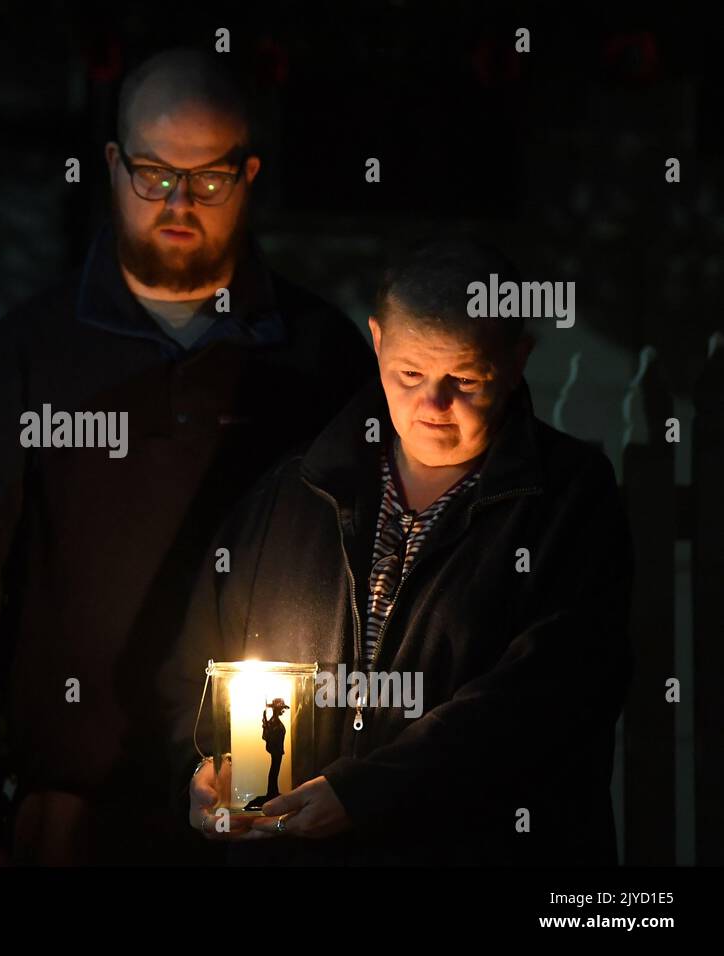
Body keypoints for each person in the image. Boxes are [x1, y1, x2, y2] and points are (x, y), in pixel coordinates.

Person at [0, 49, 374, 865]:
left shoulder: (321, 359)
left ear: (248, 174)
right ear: (112, 164)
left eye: (207, 178)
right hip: (68, 815)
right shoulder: (32, 353)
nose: (177, 201)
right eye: (153, 173)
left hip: (262, 811)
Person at [170, 237, 632, 865]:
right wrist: (207, 765)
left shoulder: (565, 500)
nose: (433, 405)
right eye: (410, 374)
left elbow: (549, 693)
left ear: (517, 358)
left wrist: (369, 791)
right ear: (378, 342)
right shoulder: (299, 489)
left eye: (464, 379)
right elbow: (200, 659)